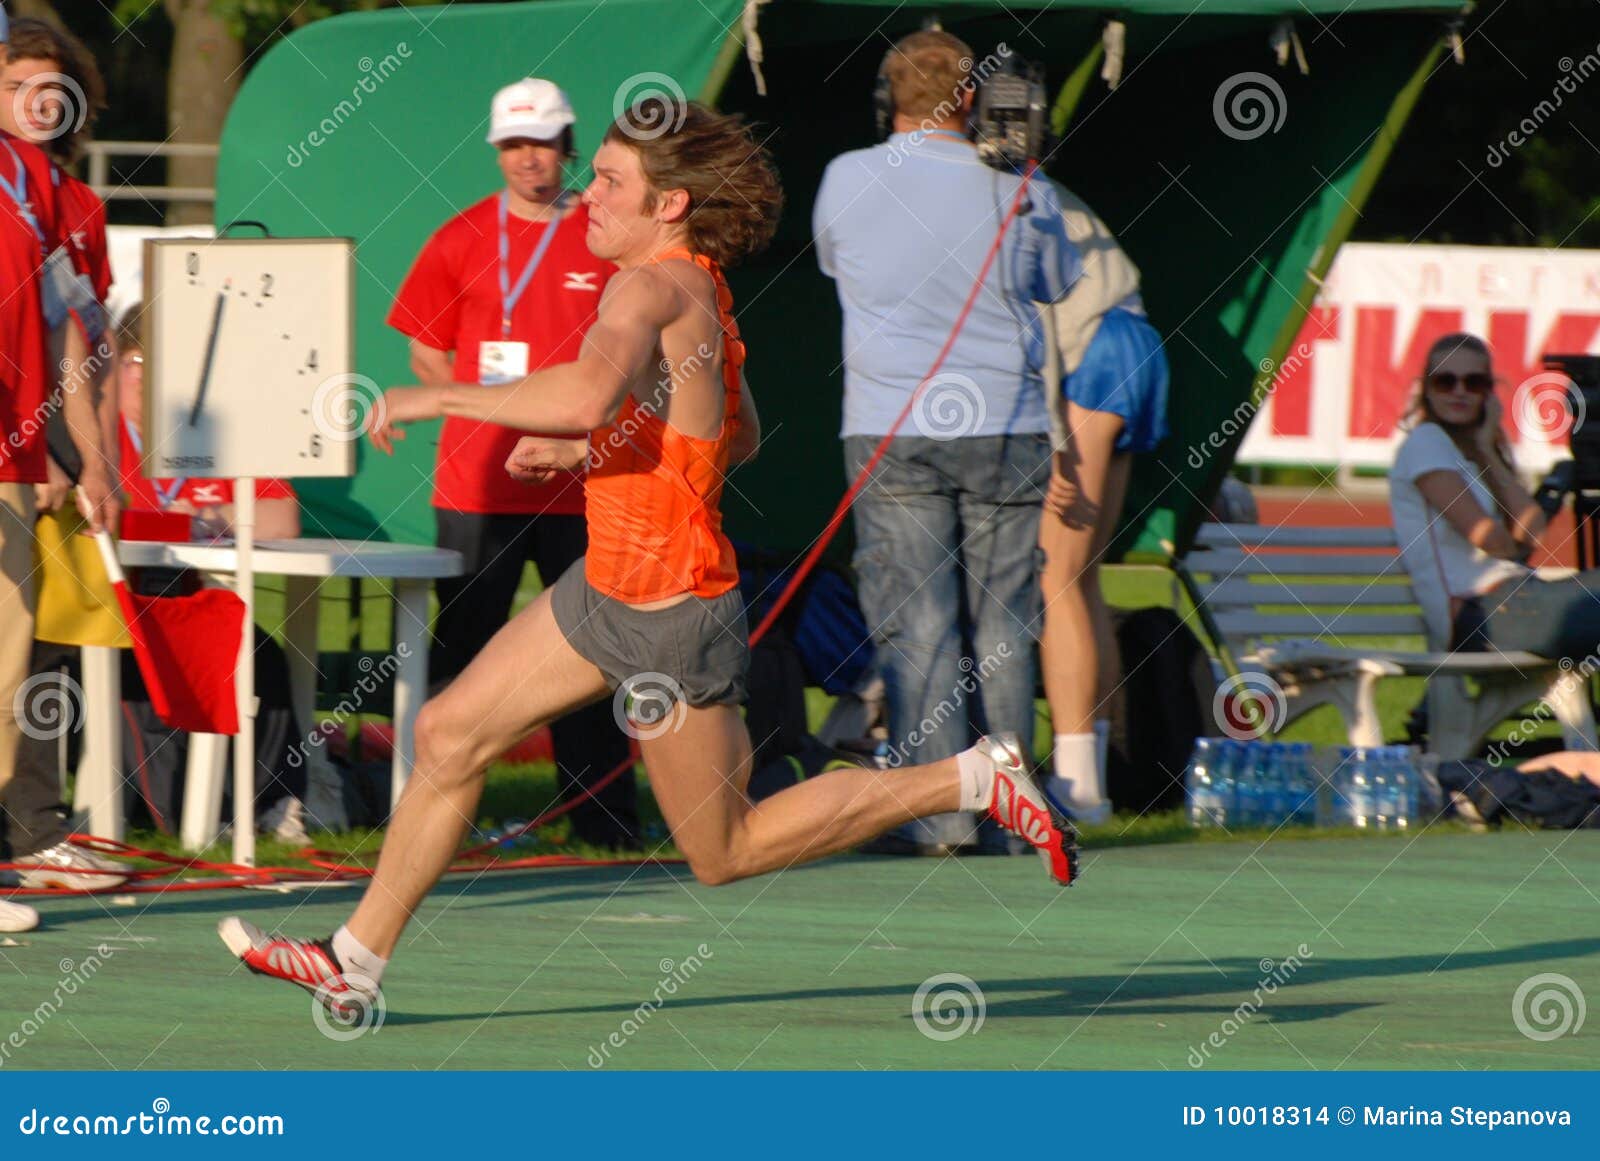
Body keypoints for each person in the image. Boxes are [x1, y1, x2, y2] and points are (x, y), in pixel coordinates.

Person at [218, 100, 1076, 1020]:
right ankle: (352, 959)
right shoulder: (696, 285)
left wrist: (441, 400)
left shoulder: (647, 289)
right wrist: (598, 454)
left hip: (672, 611)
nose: (588, 192)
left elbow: (591, 390)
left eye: (611, 182)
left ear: (668, 204)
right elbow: (730, 434)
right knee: (449, 733)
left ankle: (973, 776)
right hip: (608, 583)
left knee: (724, 849)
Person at [812, 30, 1079, 854]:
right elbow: (1060, 281)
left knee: (917, 623)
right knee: (1002, 623)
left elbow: (833, 264)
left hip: (892, 424)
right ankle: (1013, 811)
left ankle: (942, 815)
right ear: (971, 100)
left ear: (888, 96)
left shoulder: (846, 178)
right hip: (1005, 423)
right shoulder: (1018, 186)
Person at [386, 78, 637, 849]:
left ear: (569, 145)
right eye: (515, 145)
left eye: (545, 143)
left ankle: (602, 820)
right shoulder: (459, 235)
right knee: (464, 652)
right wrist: (491, 408)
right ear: (498, 150)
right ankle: (439, 819)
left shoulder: (603, 235)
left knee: (596, 654)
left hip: (582, 481)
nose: (531, 160)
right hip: (478, 484)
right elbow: (425, 350)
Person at [0, 14, 125, 892]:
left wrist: (89, 457)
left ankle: (30, 834)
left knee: (20, 658)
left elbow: (72, 332)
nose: (33, 103)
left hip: (22, 458)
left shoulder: (42, 186)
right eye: (14, 85)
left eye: (48, 86)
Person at [108, 303, 307, 839]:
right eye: (136, 360)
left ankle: (274, 805)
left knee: (264, 659)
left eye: (164, 364)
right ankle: (178, 818)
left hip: (202, 601)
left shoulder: (215, 430)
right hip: (122, 604)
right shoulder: (102, 437)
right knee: (142, 670)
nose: (147, 376)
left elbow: (282, 515)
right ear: (116, 364)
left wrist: (207, 515)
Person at [1036, 190, 1170, 825]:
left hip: (1092, 347)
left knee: (1056, 578)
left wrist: (1053, 440)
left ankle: (1079, 786)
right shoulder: (1032, 181)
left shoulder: (997, 191)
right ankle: (1102, 771)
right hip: (1133, 340)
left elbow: (1030, 318)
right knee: (1083, 580)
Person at [1389, 332, 1599, 661]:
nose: (1459, 391)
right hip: (1481, 616)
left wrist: (1488, 449)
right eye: (1446, 381)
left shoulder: (1472, 454)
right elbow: (1495, 541)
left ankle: (1428, 713)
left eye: (1473, 383)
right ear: (1428, 391)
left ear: (1488, 392)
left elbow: (1532, 533)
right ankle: (1430, 712)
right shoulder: (1425, 443)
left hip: (1517, 601)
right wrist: (1512, 546)